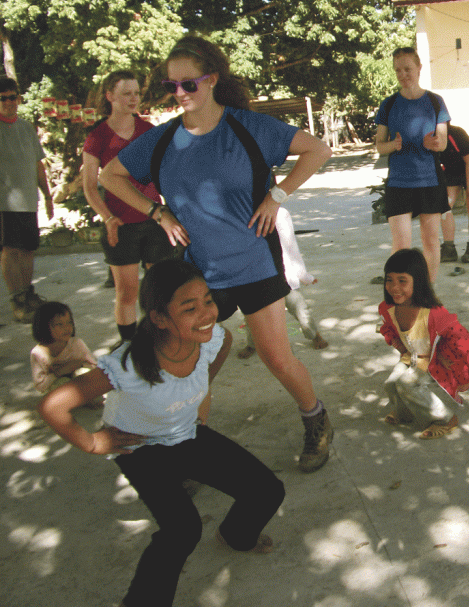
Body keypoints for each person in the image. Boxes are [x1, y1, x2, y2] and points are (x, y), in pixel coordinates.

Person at [98, 35, 334, 472]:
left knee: (277, 358)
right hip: (199, 273)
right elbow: (110, 176)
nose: (181, 93)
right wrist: (157, 213)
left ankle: (316, 418)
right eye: (172, 86)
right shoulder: (163, 140)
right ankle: (187, 446)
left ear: (212, 79)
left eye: (189, 83)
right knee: (188, 364)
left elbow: (318, 149)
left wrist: (277, 196)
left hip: (255, 262)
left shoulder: (248, 127)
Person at [36, 260, 285, 607]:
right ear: (159, 318)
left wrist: (196, 397)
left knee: (268, 490)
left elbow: (224, 343)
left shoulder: (211, 338)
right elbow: (53, 406)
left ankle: (235, 535)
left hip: (185, 433)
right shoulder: (129, 365)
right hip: (139, 449)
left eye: (208, 300)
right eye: (189, 307)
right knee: (183, 531)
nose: (207, 313)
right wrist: (93, 443)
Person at [82, 70, 174, 343]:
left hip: (155, 220)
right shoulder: (97, 136)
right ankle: (129, 346)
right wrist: (107, 218)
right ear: (110, 96)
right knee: (127, 293)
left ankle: (160, 342)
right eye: (126, 94)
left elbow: (167, 172)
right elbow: (90, 186)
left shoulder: (149, 130)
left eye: (136, 93)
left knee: (160, 291)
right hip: (121, 224)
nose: (133, 99)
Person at [378, 249, 469, 439]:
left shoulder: (435, 314)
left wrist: (462, 373)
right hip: (410, 358)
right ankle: (405, 412)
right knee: (390, 384)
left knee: (406, 384)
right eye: (389, 280)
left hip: (433, 361)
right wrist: (396, 342)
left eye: (402, 281)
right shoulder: (387, 308)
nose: (394, 287)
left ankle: (445, 419)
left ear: (418, 282)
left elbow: (461, 339)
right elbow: (387, 328)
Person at [374, 47, 450, 283]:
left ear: (419, 68)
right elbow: (379, 146)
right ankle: (401, 292)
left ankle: (428, 290)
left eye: (407, 69)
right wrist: (393, 145)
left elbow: (443, 142)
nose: (403, 74)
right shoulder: (389, 104)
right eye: (398, 70)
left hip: (430, 180)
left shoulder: (435, 102)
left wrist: (434, 143)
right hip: (399, 182)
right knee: (401, 245)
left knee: (430, 241)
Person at [237, 206, 328, 358]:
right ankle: (252, 344)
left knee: (300, 308)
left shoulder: (280, 214)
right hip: (255, 278)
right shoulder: (241, 213)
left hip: (283, 276)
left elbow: (291, 246)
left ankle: (314, 335)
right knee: (252, 313)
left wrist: (303, 275)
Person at [0, 77, 53, 323]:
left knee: (28, 249)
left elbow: (38, 165)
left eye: (12, 97)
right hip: (4, 203)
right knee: (10, 250)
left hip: (28, 201)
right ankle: (18, 302)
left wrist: (48, 196)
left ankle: (28, 294)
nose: (8, 102)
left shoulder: (26, 127)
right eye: (3, 98)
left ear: (19, 99)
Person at [438, 125, 469, 264]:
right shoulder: (427, 136)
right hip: (452, 169)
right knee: (445, 206)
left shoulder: (456, 133)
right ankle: (449, 249)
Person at [30, 301, 97, 395]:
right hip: (59, 393)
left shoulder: (76, 343)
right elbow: (40, 386)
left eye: (69, 322)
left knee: (84, 372)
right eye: (59, 324)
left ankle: (90, 397)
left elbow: (95, 367)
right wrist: (59, 372)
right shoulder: (38, 353)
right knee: (62, 383)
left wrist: (80, 365)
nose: (67, 328)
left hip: (81, 386)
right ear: (44, 327)